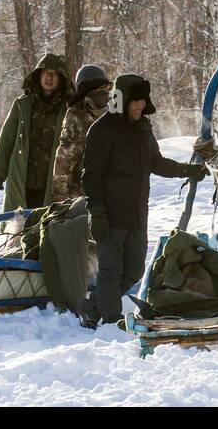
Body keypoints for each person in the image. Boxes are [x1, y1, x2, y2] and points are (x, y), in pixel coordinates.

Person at [80, 74, 207, 325]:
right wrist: (98, 212)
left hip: (137, 216)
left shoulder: (143, 127)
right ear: (121, 100)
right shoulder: (101, 131)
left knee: (135, 270)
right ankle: (111, 323)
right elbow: (90, 177)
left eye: (142, 101)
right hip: (109, 216)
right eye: (135, 101)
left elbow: (156, 163)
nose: (140, 106)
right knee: (110, 273)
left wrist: (188, 170)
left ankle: (94, 304)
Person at [0, 53, 74, 212]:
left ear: (61, 78)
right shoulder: (23, 105)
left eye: (54, 74)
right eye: (45, 73)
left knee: (47, 224)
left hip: (52, 180)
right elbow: (7, 138)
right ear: (38, 76)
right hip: (23, 177)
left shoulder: (68, 109)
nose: (49, 77)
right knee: (18, 223)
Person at [51, 64, 112, 201]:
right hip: (108, 192)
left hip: (83, 194)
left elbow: (65, 157)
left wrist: (59, 197)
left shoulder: (75, 115)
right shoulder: (114, 110)